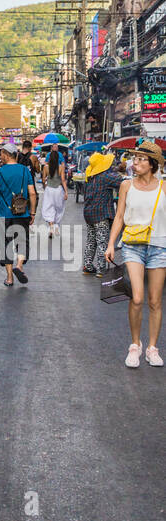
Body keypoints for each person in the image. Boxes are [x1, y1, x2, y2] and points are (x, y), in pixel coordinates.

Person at [104, 141, 166, 369]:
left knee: (155, 301)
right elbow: (119, 217)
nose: (135, 163)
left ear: (152, 164)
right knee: (137, 297)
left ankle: (152, 348)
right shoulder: (126, 186)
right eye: (135, 159)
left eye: (141, 159)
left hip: (160, 246)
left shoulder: (164, 187)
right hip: (132, 245)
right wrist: (111, 244)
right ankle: (135, 345)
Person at [0, 144, 37, 287]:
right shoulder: (24, 171)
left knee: (6, 245)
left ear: (5, 154)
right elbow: (32, 193)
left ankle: (9, 278)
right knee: (22, 242)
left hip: (4, 214)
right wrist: (32, 212)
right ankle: (19, 265)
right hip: (22, 213)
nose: (0, 157)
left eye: (1, 154)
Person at [82, 151, 123, 277]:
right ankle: (101, 269)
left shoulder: (89, 176)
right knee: (102, 241)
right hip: (101, 214)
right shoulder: (105, 176)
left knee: (91, 240)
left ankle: (87, 266)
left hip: (89, 213)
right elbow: (122, 181)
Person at [40, 147, 68, 237]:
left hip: (49, 189)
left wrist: (45, 187)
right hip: (59, 190)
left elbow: (43, 180)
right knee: (58, 209)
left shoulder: (45, 167)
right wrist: (66, 192)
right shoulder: (61, 167)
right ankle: (55, 225)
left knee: (48, 208)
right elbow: (63, 180)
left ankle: (51, 226)